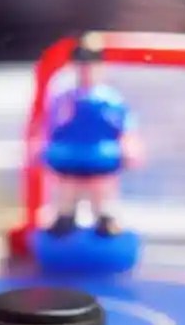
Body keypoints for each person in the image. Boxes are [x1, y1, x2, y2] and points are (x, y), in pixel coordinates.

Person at [40, 35, 145, 238]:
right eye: (82, 65)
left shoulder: (110, 101)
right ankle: (64, 220)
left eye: (91, 65)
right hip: (70, 158)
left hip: (101, 158)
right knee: (67, 193)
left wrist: (130, 148)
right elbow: (50, 128)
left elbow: (125, 128)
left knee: (102, 193)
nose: (86, 71)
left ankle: (105, 220)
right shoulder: (64, 99)